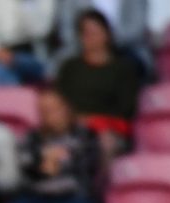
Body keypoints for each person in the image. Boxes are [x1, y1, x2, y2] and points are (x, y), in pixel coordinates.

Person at [5, 88, 102, 203]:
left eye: (56, 108)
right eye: (45, 110)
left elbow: (85, 169)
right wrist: (52, 163)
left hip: (72, 197)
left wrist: (47, 163)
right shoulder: (31, 138)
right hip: (35, 197)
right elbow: (27, 172)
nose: (52, 114)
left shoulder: (86, 135)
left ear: (67, 108)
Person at [53, 11, 143, 150]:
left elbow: (126, 109)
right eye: (86, 33)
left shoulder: (124, 69)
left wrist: (93, 121)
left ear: (107, 34)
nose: (91, 38)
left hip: (108, 129)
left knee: (106, 142)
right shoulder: (69, 68)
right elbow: (59, 99)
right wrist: (73, 119)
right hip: (72, 126)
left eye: (95, 32)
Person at [0, 0, 53, 86]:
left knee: (0, 71)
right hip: (1, 54)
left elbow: (42, 30)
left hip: (32, 55)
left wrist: (27, 4)